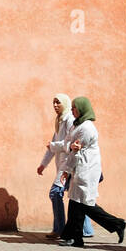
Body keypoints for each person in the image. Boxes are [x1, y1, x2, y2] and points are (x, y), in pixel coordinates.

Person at [58, 96, 126, 247]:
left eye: (75, 108)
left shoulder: (87, 128)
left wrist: (66, 171)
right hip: (79, 169)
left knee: (84, 204)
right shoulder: (77, 125)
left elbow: (76, 151)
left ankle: (117, 224)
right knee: (76, 203)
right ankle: (75, 238)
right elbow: (68, 144)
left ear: (82, 109)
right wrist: (69, 151)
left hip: (87, 170)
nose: (72, 110)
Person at [37, 94, 93, 238]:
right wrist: (43, 165)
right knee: (77, 198)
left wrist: (55, 146)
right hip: (65, 166)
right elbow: (53, 146)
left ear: (66, 104)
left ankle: (60, 229)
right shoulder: (60, 121)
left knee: (56, 193)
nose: (55, 105)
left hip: (69, 166)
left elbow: (68, 145)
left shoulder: (70, 120)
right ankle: (86, 230)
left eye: (58, 103)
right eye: (53, 102)